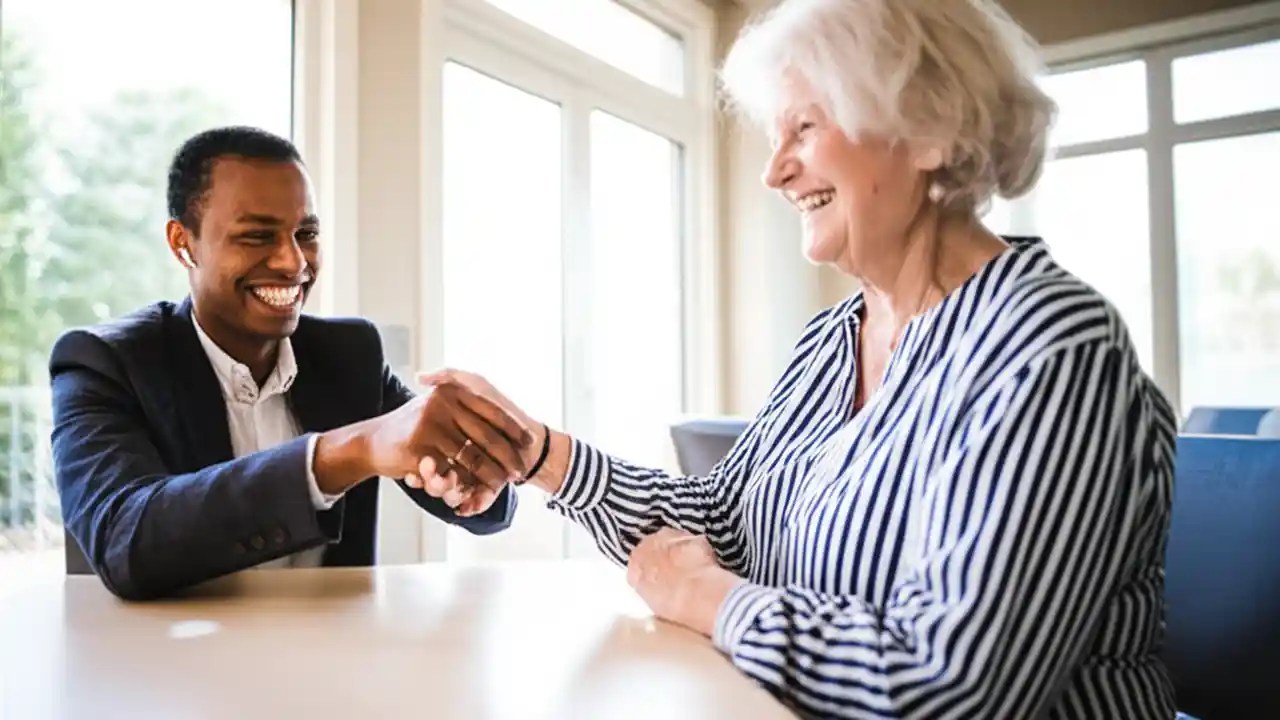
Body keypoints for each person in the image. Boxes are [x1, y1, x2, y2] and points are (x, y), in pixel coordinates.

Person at [417, 0, 1178, 716]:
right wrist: (541, 455)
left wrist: (708, 600)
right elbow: (724, 521)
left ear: (931, 131)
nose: (773, 170)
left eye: (804, 129)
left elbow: (951, 689)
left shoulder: (1051, 346)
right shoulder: (831, 338)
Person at [50, 127, 533, 601]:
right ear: (183, 243)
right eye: (257, 236)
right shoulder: (103, 363)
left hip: (329, 661)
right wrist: (343, 453)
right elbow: (123, 541)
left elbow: (483, 508)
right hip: (166, 668)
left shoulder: (351, 354)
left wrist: (477, 469)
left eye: (307, 233)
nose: (292, 262)